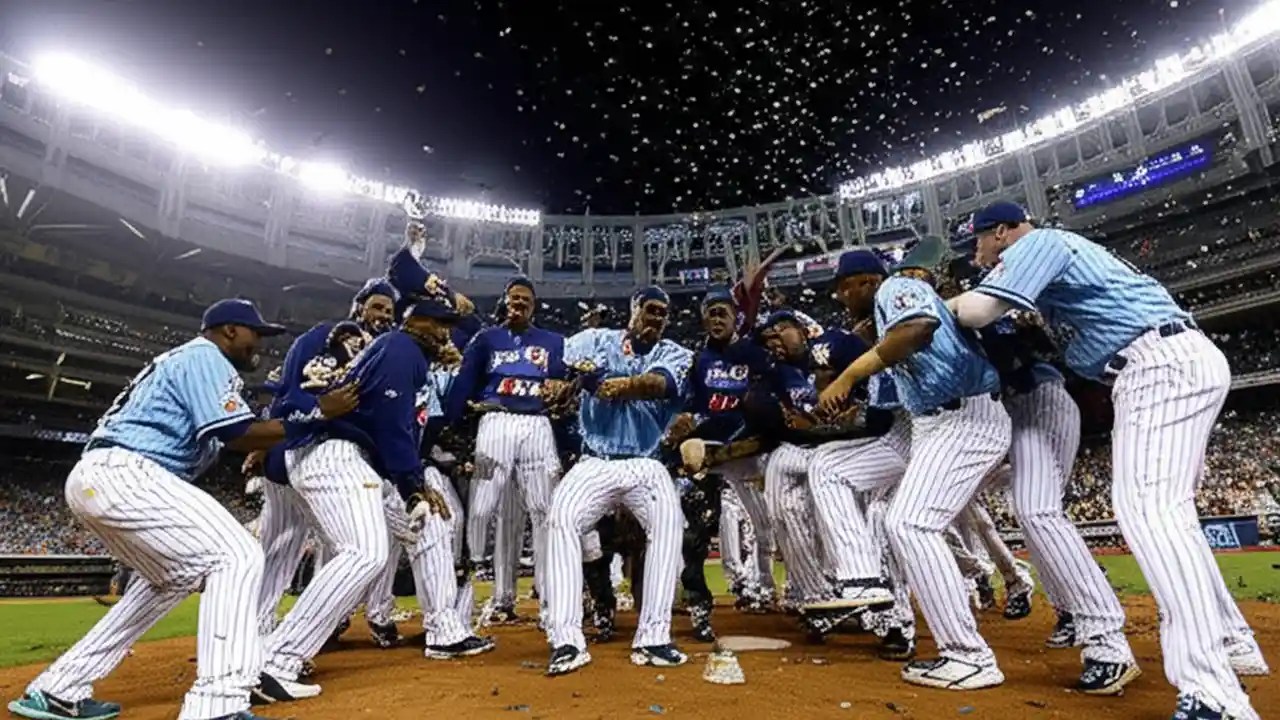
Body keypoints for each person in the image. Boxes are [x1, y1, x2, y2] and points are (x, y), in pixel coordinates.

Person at [946, 202, 1266, 719]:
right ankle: (1231, 639)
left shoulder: (1038, 243)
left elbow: (980, 310)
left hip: (1156, 364)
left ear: (1002, 233)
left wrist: (928, 307)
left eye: (979, 243)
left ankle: (1215, 694)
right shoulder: (1060, 257)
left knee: (1151, 515)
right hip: (1170, 360)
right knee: (1170, 515)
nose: (978, 253)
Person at [10, 299, 354, 720]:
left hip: (104, 479)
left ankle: (59, 687)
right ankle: (218, 704)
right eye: (255, 334)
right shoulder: (205, 356)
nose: (258, 344)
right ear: (229, 330)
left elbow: (235, 434)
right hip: (128, 473)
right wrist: (319, 414)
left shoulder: (188, 361)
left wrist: (261, 447)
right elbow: (238, 432)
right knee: (237, 556)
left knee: (170, 581)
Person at [820, 236, 1011, 691]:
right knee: (899, 520)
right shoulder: (888, 304)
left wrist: (847, 375)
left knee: (910, 524)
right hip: (943, 419)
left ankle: (969, 655)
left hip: (964, 415)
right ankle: (956, 644)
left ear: (863, 282)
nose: (840, 297)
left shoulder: (894, 287)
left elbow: (918, 327)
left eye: (843, 288)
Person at [254, 297, 460, 703]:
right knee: (362, 552)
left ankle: (270, 655)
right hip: (333, 453)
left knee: (374, 547)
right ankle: (273, 659)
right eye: (438, 324)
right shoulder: (399, 349)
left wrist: (410, 484)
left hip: (345, 459)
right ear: (414, 321)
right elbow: (389, 425)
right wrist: (411, 484)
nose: (445, 333)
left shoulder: (385, 350)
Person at [541, 286, 693, 676]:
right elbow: (556, 364)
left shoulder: (673, 353)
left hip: (646, 461)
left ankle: (654, 637)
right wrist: (560, 384)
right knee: (561, 519)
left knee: (668, 524)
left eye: (663, 313)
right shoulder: (595, 341)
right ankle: (566, 640)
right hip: (597, 459)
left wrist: (620, 386)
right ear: (633, 310)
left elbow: (664, 385)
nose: (656, 319)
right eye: (650, 310)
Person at [446, 277, 568, 622]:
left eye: (525, 299)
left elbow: (564, 384)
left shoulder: (553, 342)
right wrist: (455, 427)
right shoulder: (486, 339)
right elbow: (464, 383)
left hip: (537, 423)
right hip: (496, 420)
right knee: (485, 508)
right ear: (505, 301)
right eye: (514, 297)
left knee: (544, 510)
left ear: (534, 305)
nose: (519, 303)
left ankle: (548, 597)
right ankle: (479, 588)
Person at [664, 286, 776, 641]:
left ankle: (767, 588)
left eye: (722, 313)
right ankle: (698, 603)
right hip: (711, 449)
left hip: (751, 446)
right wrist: (687, 422)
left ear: (735, 318)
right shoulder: (698, 361)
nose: (715, 319)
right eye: (710, 313)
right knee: (696, 527)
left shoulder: (754, 354)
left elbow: (771, 384)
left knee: (770, 520)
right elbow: (689, 405)